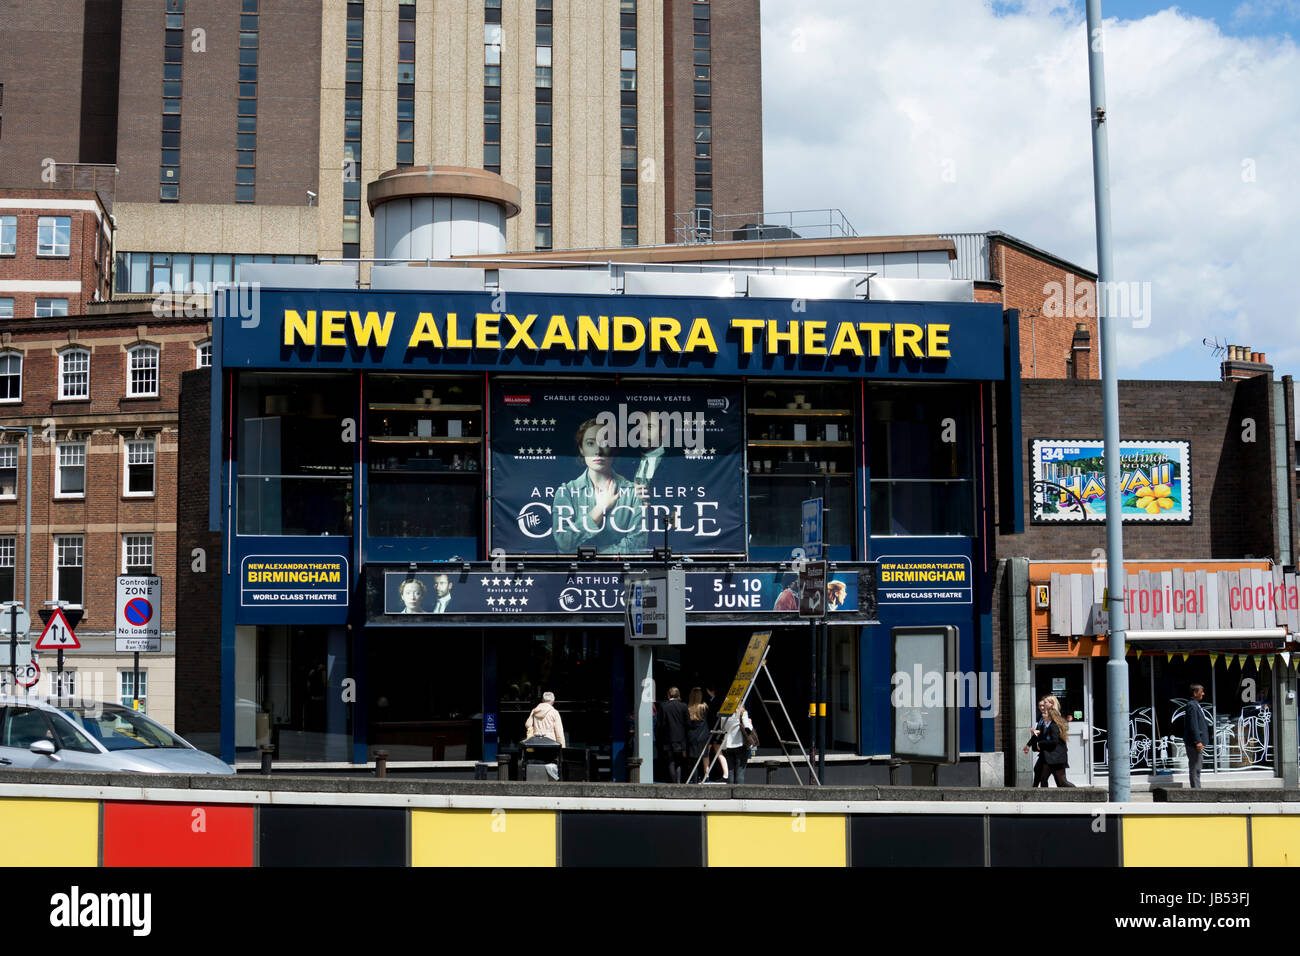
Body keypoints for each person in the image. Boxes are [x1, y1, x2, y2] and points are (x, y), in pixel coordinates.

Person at [551, 419, 649, 555]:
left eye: (605, 443)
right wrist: (600, 508)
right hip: (576, 573)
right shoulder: (566, 492)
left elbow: (637, 546)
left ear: (614, 449)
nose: (598, 451)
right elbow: (564, 544)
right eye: (590, 443)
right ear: (581, 448)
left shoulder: (633, 492)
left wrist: (589, 555)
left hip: (620, 572)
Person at [1036, 695, 1075, 787]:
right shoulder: (1047, 723)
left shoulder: (1054, 724)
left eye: (1045, 714)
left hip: (1056, 757)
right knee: (1043, 778)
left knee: (1062, 782)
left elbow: (1054, 740)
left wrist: (1040, 743)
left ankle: (1079, 793)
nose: (1043, 714)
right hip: (1050, 756)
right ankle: (1044, 799)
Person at [657, 686, 690, 783]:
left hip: (668, 737)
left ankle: (673, 782)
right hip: (681, 737)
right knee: (679, 761)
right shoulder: (683, 706)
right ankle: (678, 781)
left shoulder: (663, 706)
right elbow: (687, 722)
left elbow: (660, 724)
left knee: (670, 761)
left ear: (668, 694)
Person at [1183, 683, 1209, 789]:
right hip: (1194, 744)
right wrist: (1197, 741)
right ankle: (1196, 791)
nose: (1203, 693)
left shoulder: (1195, 704)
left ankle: (1197, 789)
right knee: (1195, 767)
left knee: (1198, 767)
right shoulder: (1192, 705)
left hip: (1196, 743)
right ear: (1195, 693)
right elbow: (1193, 725)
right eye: (1201, 691)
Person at [1022, 697, 1052, 787]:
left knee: (1059, 780)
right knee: (1038, 771)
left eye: (1043, 705)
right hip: (1043, 751)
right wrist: (1028, 745)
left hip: (1050, 752)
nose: (1042, 707)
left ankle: (1037, 791)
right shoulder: (1041, 717)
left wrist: (1040, 740)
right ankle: (1034, 789)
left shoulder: (1050, 717)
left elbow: (1048, 733)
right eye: (1040, 706)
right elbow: (1037, 733)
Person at [722, 706, 754, 784]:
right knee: (740, 772)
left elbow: (722, 728)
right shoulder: (742, 712)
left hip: (727, 744)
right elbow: (748, 727)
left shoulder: (724, 712)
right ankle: (739, 793)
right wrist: (750, 722)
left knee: (730, 771)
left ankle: (729, 792)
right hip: (740, 744)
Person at [685, 687, 710, 783]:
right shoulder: (704, 707)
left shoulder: (688, 708)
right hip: (703, 736)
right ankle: (706, 778)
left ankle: (695, 780)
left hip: (691, 737)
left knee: (693, 760)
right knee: (704, 757)